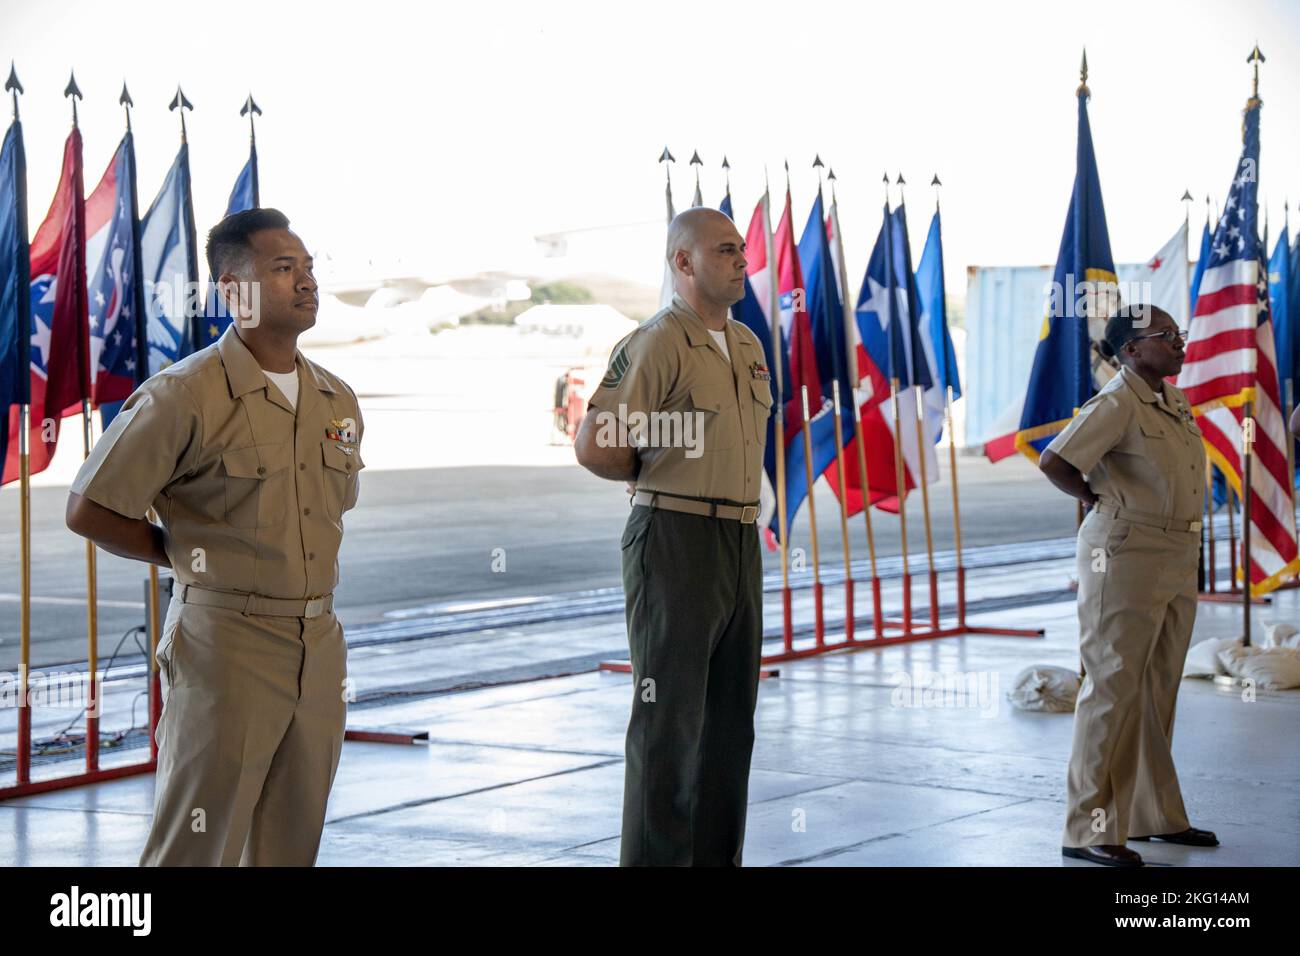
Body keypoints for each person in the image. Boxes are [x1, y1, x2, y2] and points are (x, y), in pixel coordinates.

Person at [66, 207, 365, 866]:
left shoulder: (334, 399)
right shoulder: (184, 395)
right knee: (197, 845)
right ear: (234, 290)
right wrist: (180, 555)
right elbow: (90, 507)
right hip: (227, 646)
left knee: (291, 844)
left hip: (318, 647)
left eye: (309, 267)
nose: (306, 281)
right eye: (284, 268)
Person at [574, 207, 772, 866]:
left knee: (727, 727)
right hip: (676, 538)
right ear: (683, 263)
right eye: (724, 249)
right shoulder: (659, 341)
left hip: (740, 542)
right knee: (669, 725)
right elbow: (596, 440)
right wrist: (654, 479)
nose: (741, 258)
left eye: (741, 248)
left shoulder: (746, 344)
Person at [1040, 304, 1219, 867]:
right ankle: (1089, 827)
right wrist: (1097, 501)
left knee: (1157, 686)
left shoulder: (1173, 401)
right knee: (1112, 686)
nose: (1179, 343)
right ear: (1132, 349)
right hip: (1125, 552)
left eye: (1178, 334)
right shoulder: (1117, 401)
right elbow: (1056, 461)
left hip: (1175, 551)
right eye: (1166, 336)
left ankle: (1151, 816)